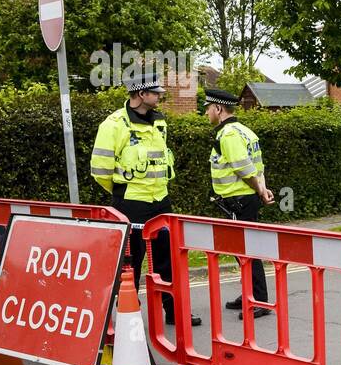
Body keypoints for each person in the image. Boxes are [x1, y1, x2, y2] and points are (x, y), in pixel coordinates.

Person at [90, 71, 200, 326]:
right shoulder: (113, 125)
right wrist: (123, 193)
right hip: (131, 204)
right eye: (156, 93)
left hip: (161, 201)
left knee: (169, 259)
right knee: (131, 262)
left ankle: (174, 312)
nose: (160, 97)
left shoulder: (160, 121)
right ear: (141, 94)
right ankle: (129, 316)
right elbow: (100, 170)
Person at [204, 88, 275, 318]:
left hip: (238, 201)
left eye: (207, 108)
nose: (206, 113)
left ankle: (259, 301)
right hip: (245, 199)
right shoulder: (245, 131)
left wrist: (258, 190)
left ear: (218, 108)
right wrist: (262, 190)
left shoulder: (228, 135)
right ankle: (249, 294)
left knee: (247, 252)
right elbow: (258, 167)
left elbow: (244, 169)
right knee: (241, 250)